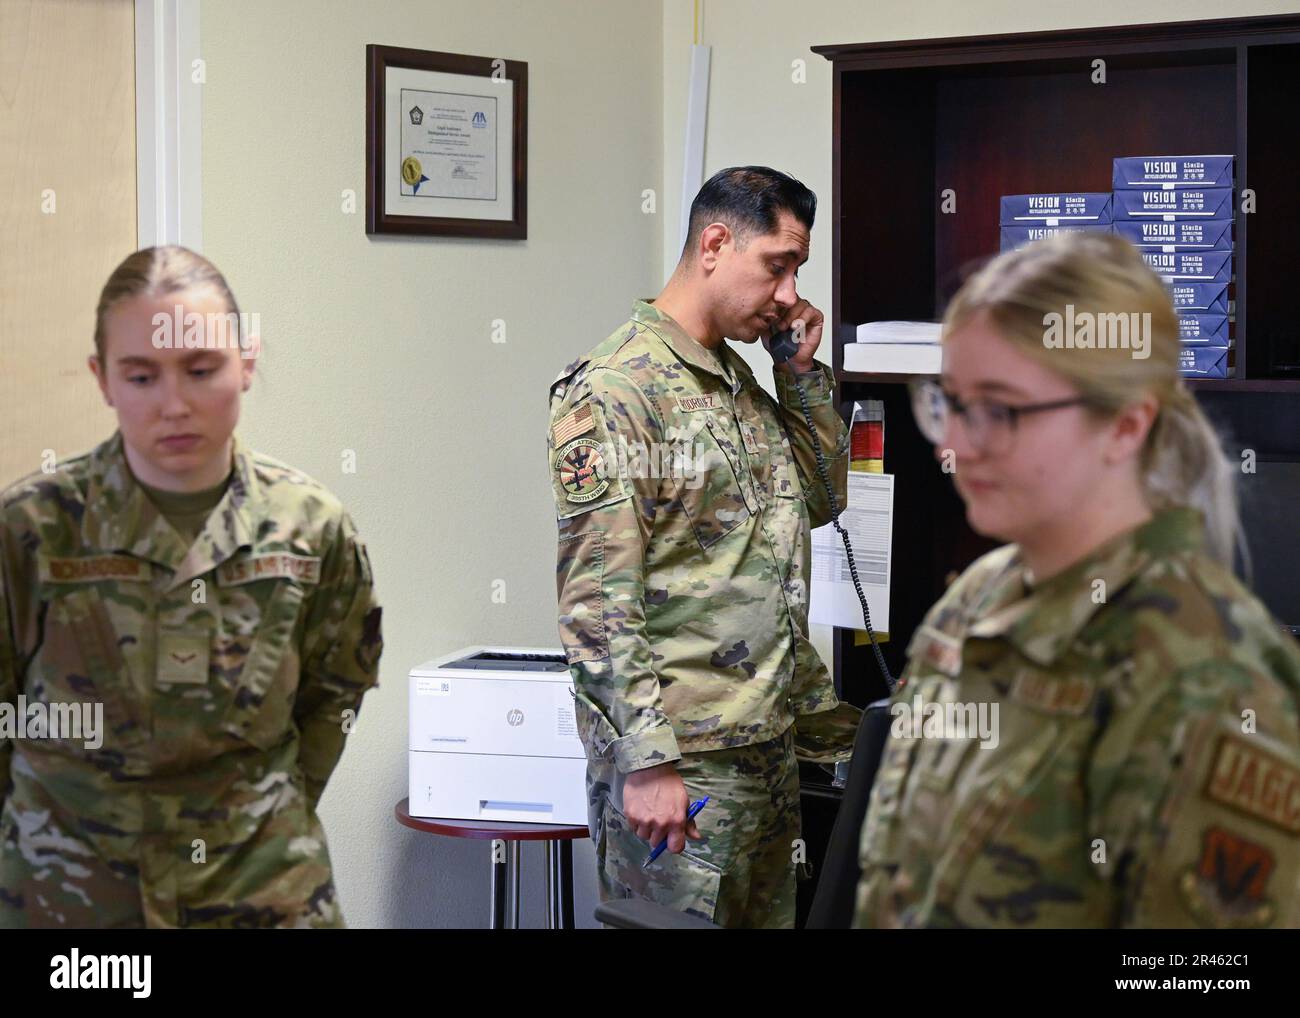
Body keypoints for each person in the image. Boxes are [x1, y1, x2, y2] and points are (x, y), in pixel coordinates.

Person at [854, 231, 1300, 928]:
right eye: (949, 403)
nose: (953, 446)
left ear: (1124, 426)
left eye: (999, 410)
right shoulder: (978, 594)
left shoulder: (1206, 674)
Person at [0, 246, 383, 928]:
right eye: (141, 376)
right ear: (102, 379)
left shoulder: (310, 527)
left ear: (246, 362)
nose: (174, 405)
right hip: (70, 898)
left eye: (201, 370)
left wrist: (262, 808)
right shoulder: (32, 529)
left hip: (261, 889)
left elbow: (334, 694)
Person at [547, 166, 860, 929]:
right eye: (777, 266)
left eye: (798, 270)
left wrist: (799, 374)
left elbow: (820, 500)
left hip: (769, 750)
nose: (789, 293)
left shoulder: (737, 384)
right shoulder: (616, 390)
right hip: (683, 768)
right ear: (715, 244)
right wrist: (645, 763)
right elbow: (598, 601)